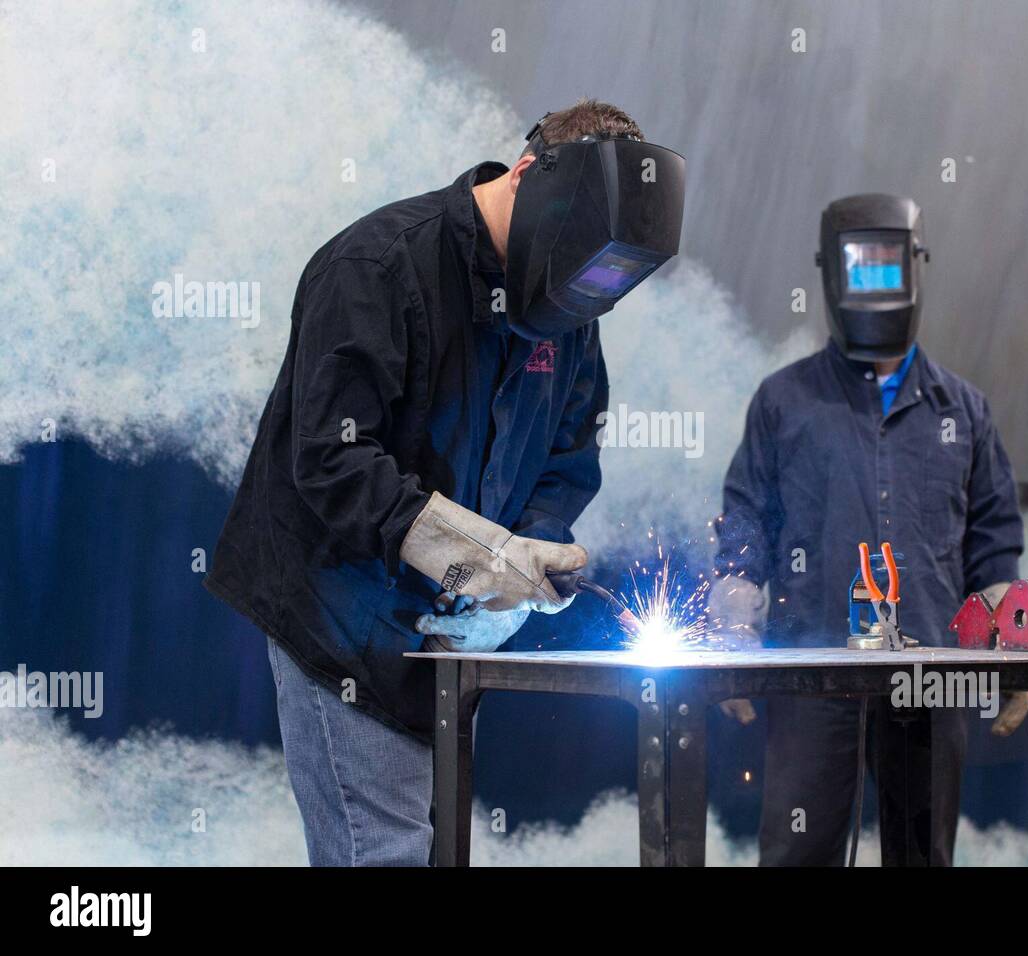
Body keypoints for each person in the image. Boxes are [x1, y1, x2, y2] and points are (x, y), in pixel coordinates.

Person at [205, 100, 685, 865]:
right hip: (344, 615)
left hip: (443, 634)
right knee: (387, 852)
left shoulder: (566, 301)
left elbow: (567, 454)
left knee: (436, 849)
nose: (579, 305)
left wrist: (524, 565)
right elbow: (333, 459)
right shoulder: (377, 267)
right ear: (528, 175)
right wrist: (476, 558)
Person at [712, 193, 1025, 866]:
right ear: (830, 273)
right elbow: (746, 524)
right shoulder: (784, 401)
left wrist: (1019, 643)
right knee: (799, 855)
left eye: (890, 266)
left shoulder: (964, 412)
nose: (876, 285)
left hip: (934, 674)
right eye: (863, 267)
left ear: (916, 267)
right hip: (811, 672)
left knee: (923, 857)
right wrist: (732, 637)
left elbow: (993, 545)